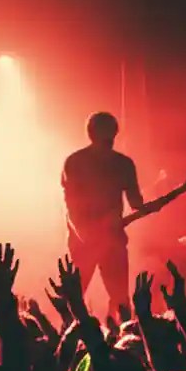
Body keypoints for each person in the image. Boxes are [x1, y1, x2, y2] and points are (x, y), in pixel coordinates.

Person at [61, 112, 144, 315]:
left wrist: (84, 235)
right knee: (120, 301)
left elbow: (70, 204)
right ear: (115, 132)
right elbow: (137, 204)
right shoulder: (123, 164)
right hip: (107, 241)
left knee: (74, 303)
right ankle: (124, 339)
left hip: (90, 242)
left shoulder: (74, 161)